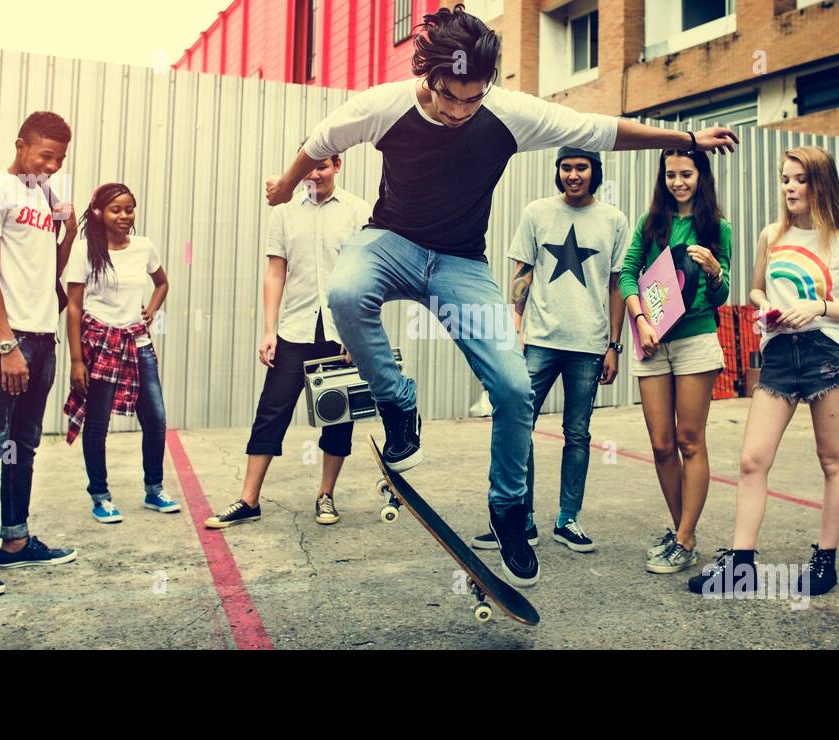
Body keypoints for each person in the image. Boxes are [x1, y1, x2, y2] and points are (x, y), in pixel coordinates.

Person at [265, 5, 737, 587]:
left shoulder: (507, 112)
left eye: (474, 97)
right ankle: (397, 401)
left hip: (461, 264)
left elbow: (597, 131)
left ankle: (509, 508)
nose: (462, 110)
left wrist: (684, 135)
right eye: (450, 97)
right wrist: (286, 184)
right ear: (428, 78)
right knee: (344, 291)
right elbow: (319, 141)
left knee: (514, 388)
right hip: (391, 242)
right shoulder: (383, 105)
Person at [688, 145, 839, 598]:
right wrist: (768, 308)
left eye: (800, 179)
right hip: (776, 353)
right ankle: (741, 566)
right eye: (785, 179)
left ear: (821, 184)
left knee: (832, 461)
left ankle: (825, 562)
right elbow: (755, 290)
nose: (790, 187)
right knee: (752, 460)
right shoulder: (771, 235)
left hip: (826, 353)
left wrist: (820, 306)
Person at [469, 147, 627, 555]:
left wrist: (613, 345)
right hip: (538, 340)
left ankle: (567, 519)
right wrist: (513, 331)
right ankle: (519, 520)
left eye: (582, 167)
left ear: (595, 171)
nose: (574, 175)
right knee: (519, 427)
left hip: (589, 345)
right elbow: (521, 274)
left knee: (577, 433)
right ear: (558, 171)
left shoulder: (614, 220)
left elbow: (616, 286)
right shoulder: (537, 212)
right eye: (567, 167)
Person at [206, 146, 371, 529]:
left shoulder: (358, 211)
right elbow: (275, 272)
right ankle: (249, 500)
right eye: (308, 169)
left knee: (338, 416)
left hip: (339, 330)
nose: (314, 176)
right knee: (271, 411)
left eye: (323, 168)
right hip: (295, 328)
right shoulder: (284, 212)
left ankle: (326, 496)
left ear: (338, 165)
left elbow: (366, 275)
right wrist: (269, 330)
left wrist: (357, 329)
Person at [0, 111, 79, 597]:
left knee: (22, 446)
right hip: (4, 340)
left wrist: (67, 230)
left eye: (60, 159)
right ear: (21, 144)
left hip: (42, 336)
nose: (51, 165)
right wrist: (7, 344)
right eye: (45, 155)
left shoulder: (42, 195)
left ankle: (15, 541)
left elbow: (49, 266)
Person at [618, 148, 731, 576]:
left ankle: (684, 539)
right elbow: (628, 273)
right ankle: (683, 529)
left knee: (690, 440)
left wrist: (717, 271)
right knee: (662, 444)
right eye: (671, 175)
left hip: (696, 341)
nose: (678, 182)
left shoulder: (718, 227)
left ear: (701, 176)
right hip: (651, 341)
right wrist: (640, 319)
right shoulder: (651, 225)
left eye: (686, 174)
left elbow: (722, 297)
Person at [62, 182, 179, 524]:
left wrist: (152, 310)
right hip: (100, 345)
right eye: (116, 209)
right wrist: (76, 360)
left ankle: (154, 489)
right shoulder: (84, 250)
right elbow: (73, 307)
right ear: (98, 213)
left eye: (129, 209)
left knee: (156, 419)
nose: (125, 216)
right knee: (97, 424)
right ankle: (100, 495)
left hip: (137, 342)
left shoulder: (143, 247)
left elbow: (162, 282)